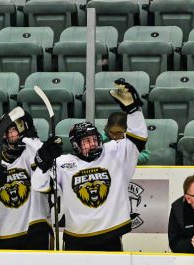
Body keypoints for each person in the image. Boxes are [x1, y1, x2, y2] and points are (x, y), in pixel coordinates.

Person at [32, 79, 148, 252]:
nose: (93, 144)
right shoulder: (63, 163)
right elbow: (39, 185)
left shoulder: (114, 152)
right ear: (76, 145)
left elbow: (138, 136)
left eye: (95, 139)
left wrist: (133, 110)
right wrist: (43, 163)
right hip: (76, 238)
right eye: (87, 141)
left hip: (110, 235)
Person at [0, 109, 55, 250]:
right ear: (2, 136)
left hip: (37, 231)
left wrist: (32, 139)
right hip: (5, 234)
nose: (15, 135)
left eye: (19, 129)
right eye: (10, 131)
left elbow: (43, 180)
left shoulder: (31, 154)